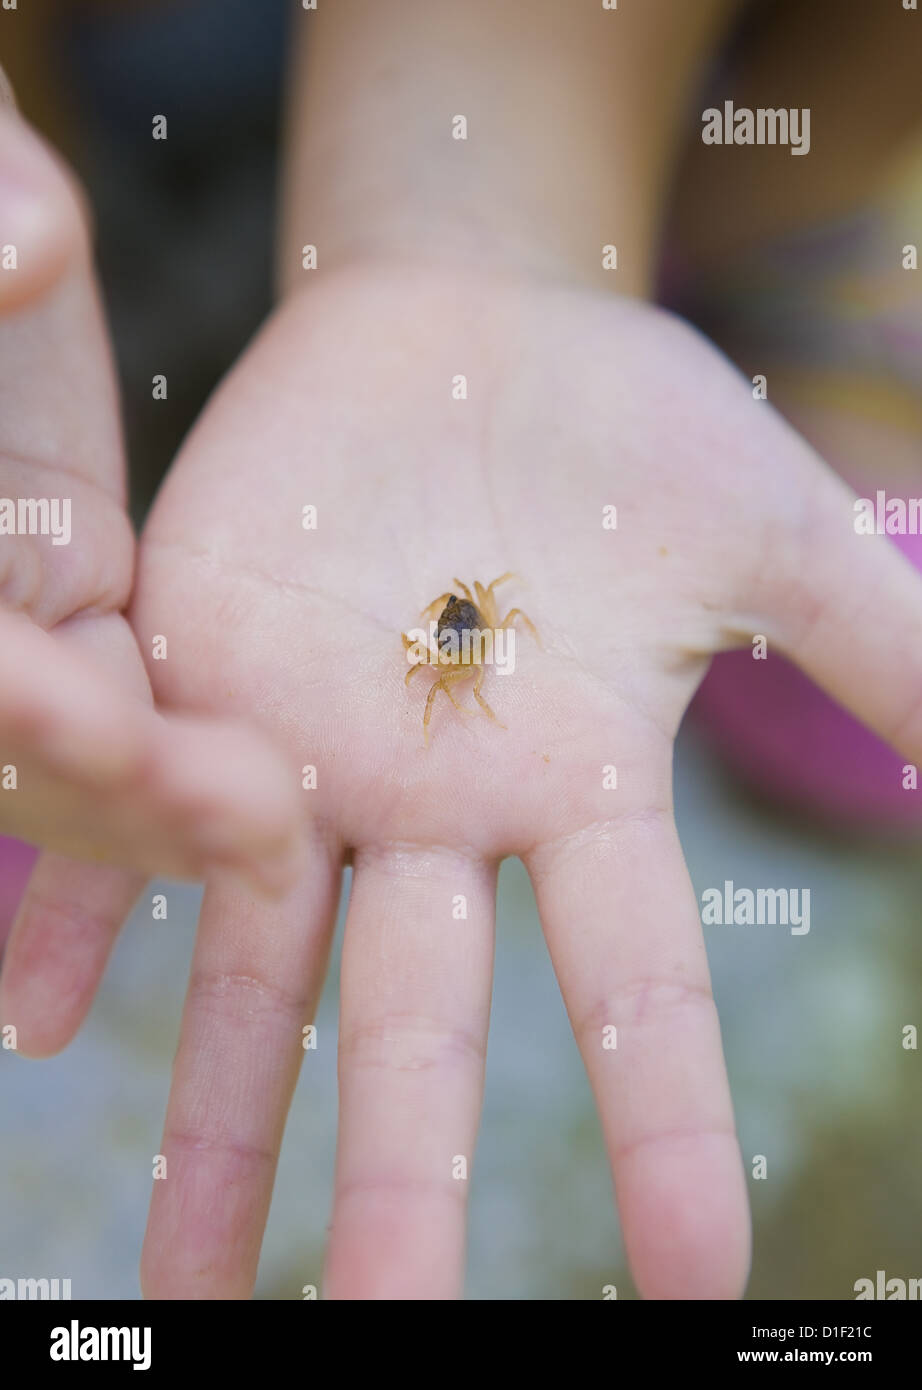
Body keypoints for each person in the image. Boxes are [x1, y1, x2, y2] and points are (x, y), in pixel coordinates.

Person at [2, 0, 921, 1300]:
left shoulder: (468, 620)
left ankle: (782, 227)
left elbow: (473, 620)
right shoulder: (448, 634)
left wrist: (479, 240)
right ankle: (54, 408)